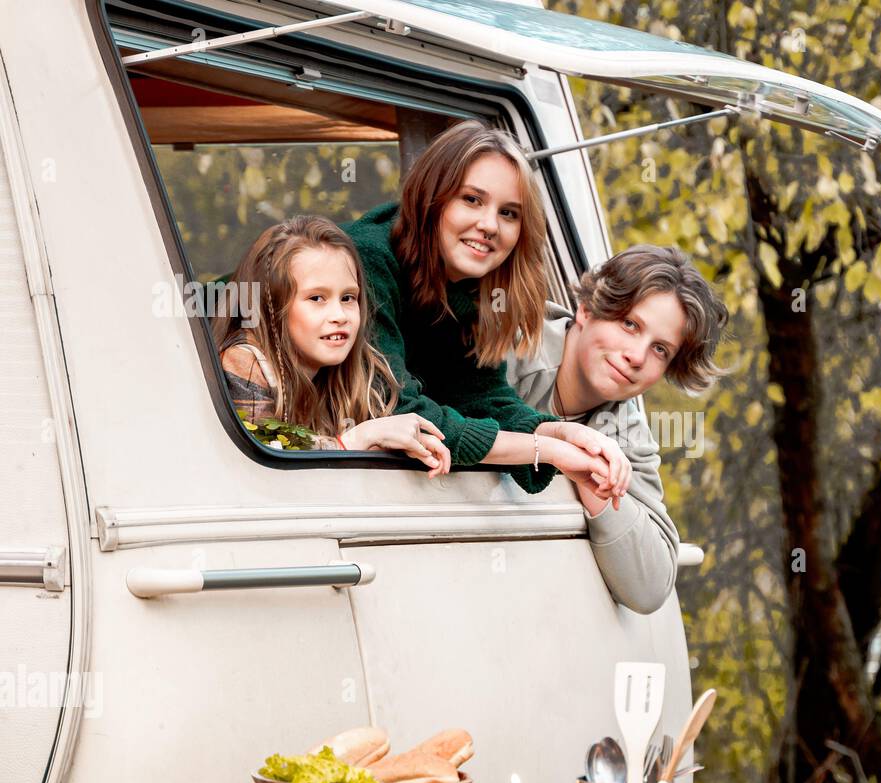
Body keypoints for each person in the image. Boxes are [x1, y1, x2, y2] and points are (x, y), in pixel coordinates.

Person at [343, 120, 630, 505]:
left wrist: (564, 434)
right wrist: (545, 451)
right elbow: (398, 409)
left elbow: (482, 398)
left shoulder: (474, 291)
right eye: (472, 200)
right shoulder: (368, 261)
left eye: (509, 213)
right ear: (432, 198)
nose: (489, 225)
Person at [507, 245, 729, 614]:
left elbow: (649, 586)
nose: (637, 356)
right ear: (587, 308)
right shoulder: (503, 349)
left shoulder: (628, 434)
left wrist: (590, 475)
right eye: (630, 325)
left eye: (660, 349)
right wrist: (555, 443)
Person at [215, 214, 451, 473]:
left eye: (348, 297)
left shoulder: (356, 374)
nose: (339, 316)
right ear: (270, 308)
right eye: (317, 298)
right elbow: (261, 457)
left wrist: (405, 445)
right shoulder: (244, 361)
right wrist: (355, 440)